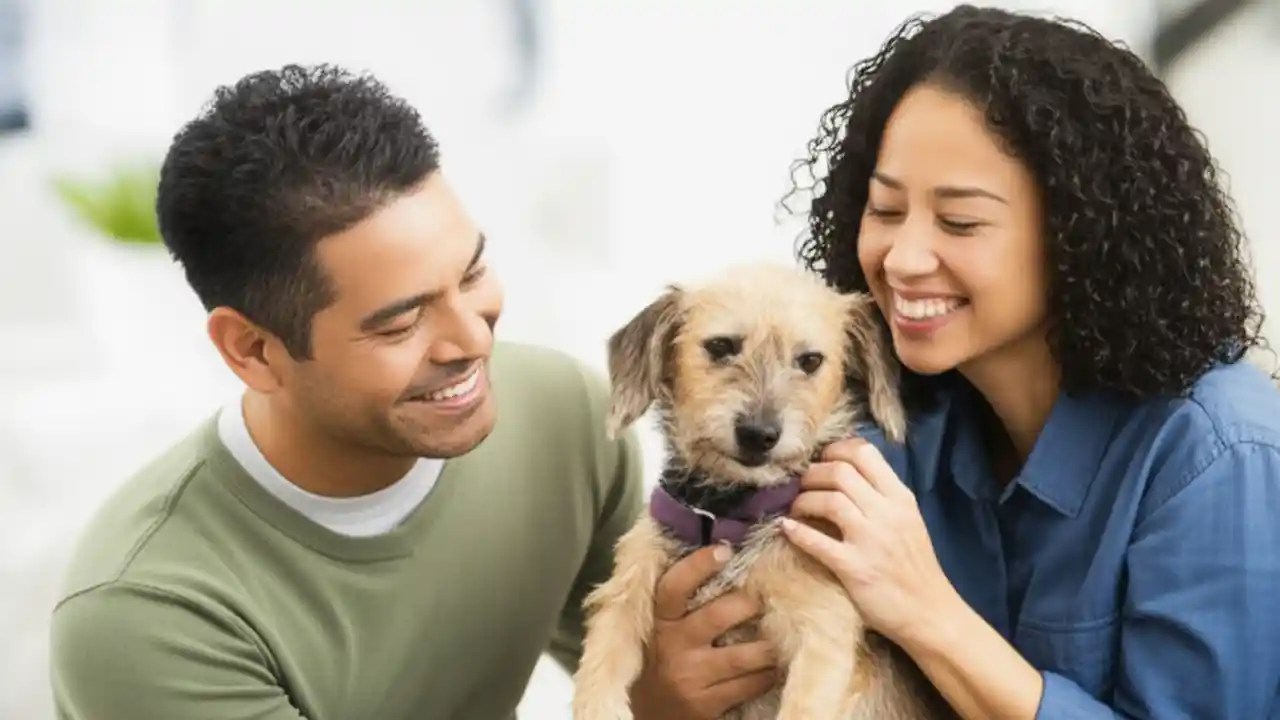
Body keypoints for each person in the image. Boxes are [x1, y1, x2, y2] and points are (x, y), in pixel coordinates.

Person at [46, 64, 772, 719]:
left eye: (472, 274)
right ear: (254, 350)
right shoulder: (147, 615)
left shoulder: (563, 419)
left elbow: (666, 662)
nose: (472, 341)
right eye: (400, 323)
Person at [774, 5, 1280, 719]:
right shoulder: (889, 422)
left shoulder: (1218, 450)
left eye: (960, 222)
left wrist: (926, 611)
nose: (904, 259)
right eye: (885, 210)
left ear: (1080, 232)